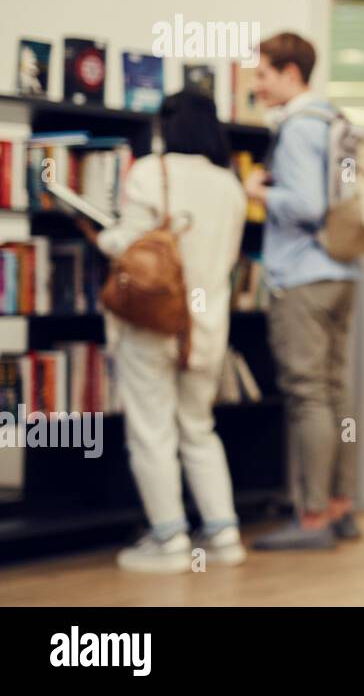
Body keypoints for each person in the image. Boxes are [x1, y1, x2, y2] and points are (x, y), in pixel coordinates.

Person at [87, 90, 247, 573]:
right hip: (207, 327)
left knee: (151, 431)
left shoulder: (148, 172)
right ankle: (224, 534)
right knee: (198, 428)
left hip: (155, 324)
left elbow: (128, 243)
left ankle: (170, 538)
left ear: (165, 127)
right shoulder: (231, 187)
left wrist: (101, 232)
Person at [242, 32, 361, 550]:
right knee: (333, 392)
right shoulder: (335, 121)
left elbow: (308, 205)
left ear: (291, 73)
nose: (257, 84)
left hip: (302, 276)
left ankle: (311, 519)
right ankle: (341, 506)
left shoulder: (298, 128)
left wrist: (260, 191)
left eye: (263, 73)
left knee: (308, 395)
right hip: (342, 272)